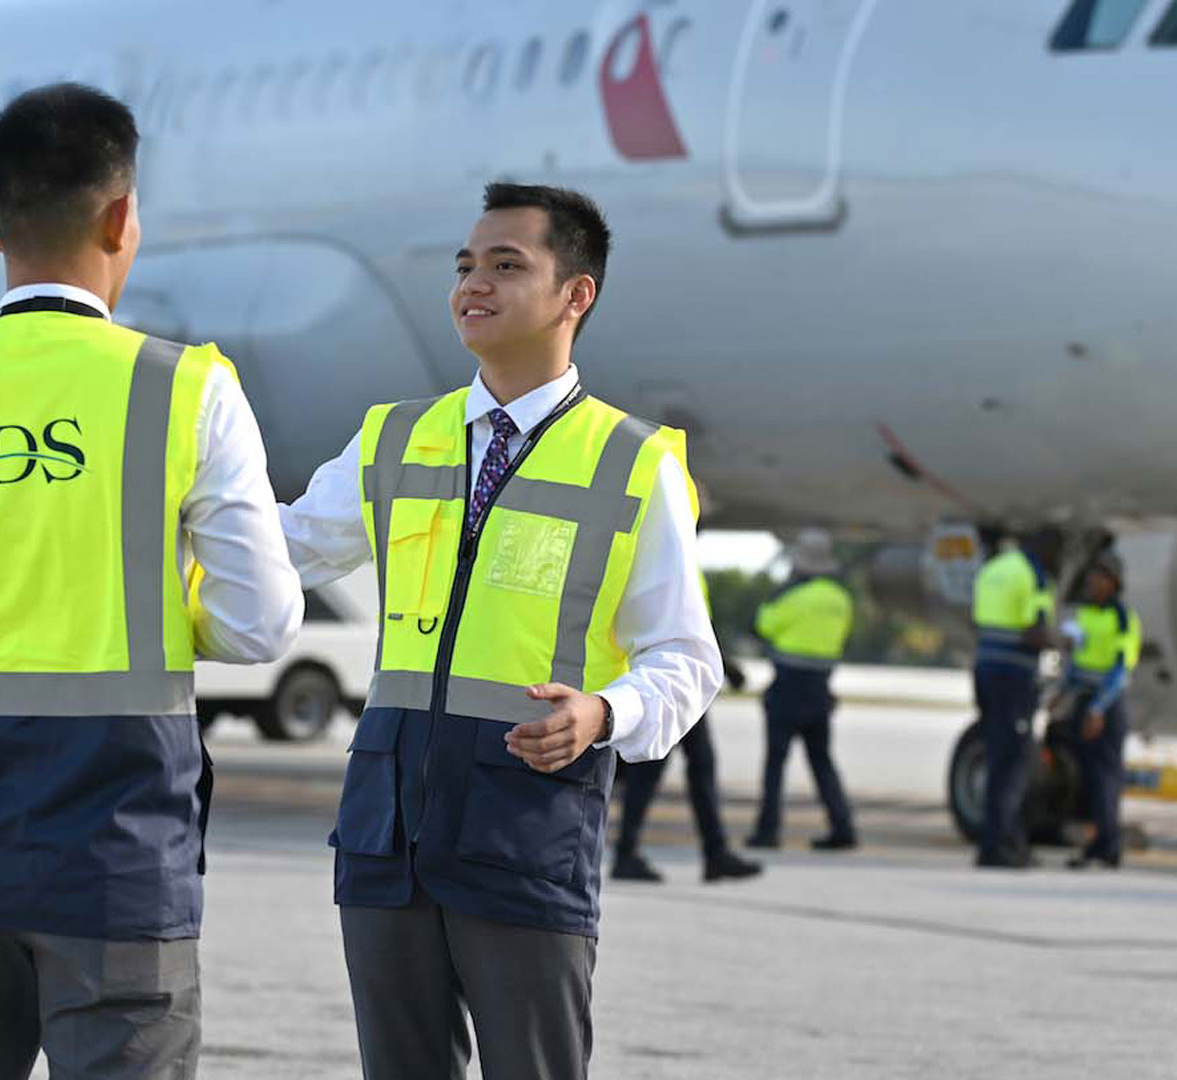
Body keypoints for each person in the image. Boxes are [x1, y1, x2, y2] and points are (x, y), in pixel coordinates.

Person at [0, 83, 301, 1080]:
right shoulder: (187, 388)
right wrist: (144, 606)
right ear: (122, 219)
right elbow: (259, 626)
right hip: (117, 861)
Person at [279, 183, 720, 1080]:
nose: (473, 284)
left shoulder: (633, 463)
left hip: (525, 834)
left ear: (575, 295)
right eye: (465, 266)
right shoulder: (395, 438)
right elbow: (277, 549)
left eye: (507, 265)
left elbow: (685, 657)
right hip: (387, 836)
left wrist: (604, 712)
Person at [611, 595, 762, 883]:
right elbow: (675, 622)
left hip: (681, 682)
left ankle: (714, 852)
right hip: (661, 679)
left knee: (698, 766)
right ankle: (627, 854)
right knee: (650, 769)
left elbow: (694, 626)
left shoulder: (688, 570)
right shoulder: (671, 566)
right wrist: (727, 665)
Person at [746, 529, 857, 852]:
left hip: (788, 688)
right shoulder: (841, 599)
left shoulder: (793, 597)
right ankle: (842, 826)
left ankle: (768, 830)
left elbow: (762, 625)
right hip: (820, 688)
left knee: (776, 763)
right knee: (821, 760)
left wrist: (778, 593)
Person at [970, 529, 1060, 869]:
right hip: (1013, 677)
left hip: (985, 668)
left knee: (997, 758)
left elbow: (978, 621)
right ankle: (1002, 846)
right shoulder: (1033, 575)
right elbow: (1033, 631)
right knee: (1013, 763)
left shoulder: (993, 568)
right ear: (1043, 547)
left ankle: (994, 843)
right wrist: (1061, 642)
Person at [1061, 552, 1139, 870]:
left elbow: (1120, 671)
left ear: (1113, 582)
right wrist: (1060, 692)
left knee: (1105, 779)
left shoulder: (1122, 619)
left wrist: (1097, 709)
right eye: (1091, 576)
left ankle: (1106, 846)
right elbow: (1075, 664)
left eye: (1099, 577)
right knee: (1088, 778)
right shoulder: (1084, 615)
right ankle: (1097, 844)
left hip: (1106, 707)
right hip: (1084, 702)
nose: (1091, 582)